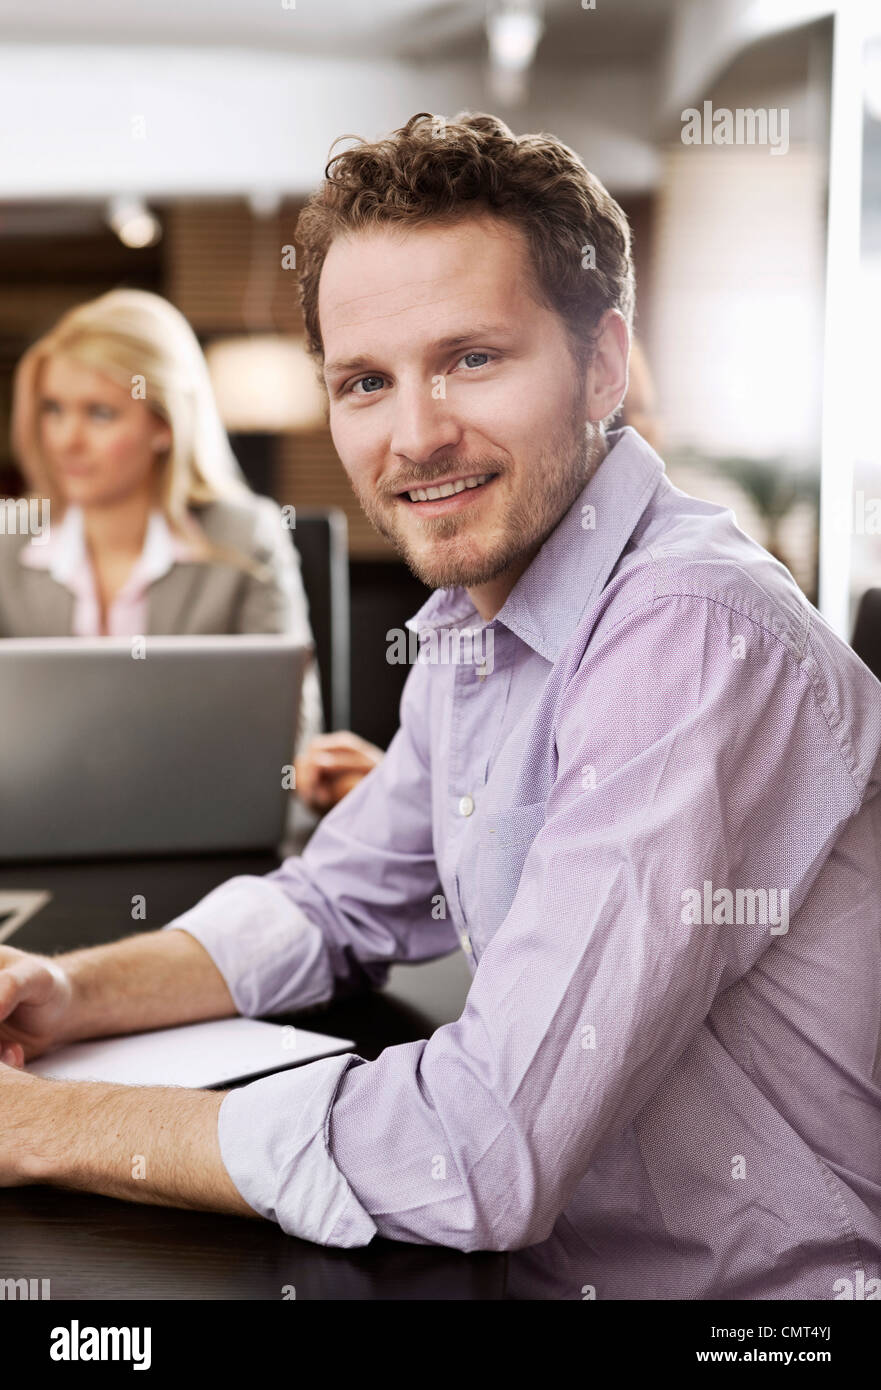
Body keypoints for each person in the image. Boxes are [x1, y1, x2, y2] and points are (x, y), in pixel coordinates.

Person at [1, 112, 879, 1300]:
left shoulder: (686, 630)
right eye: (365, 381)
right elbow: (336, 899)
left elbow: (478, 1147)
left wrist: (45, 1128)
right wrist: (67, 994)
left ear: (602, 365)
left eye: (471, 357)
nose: (413, 436)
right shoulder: (480, 619)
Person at [0, 287, 370, 806]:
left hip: (205, 824)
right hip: (38, 819)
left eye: (99, 414)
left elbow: (292, 744)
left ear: (164, 426)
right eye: (54, 410)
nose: (66, 439)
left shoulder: (247, 538)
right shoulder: (7, 543)